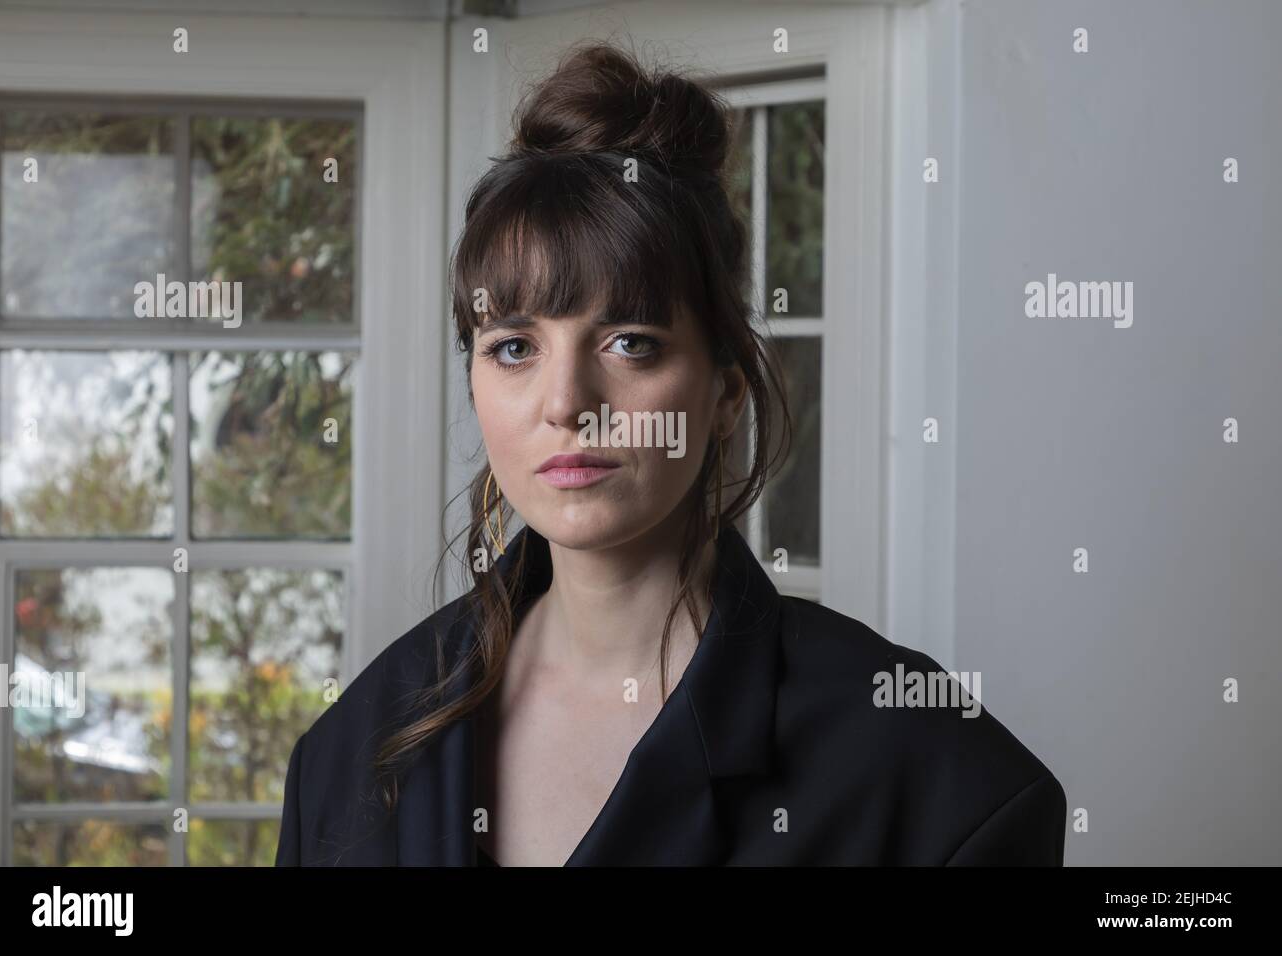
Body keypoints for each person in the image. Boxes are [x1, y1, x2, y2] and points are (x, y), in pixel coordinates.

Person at [274, 40, 1066, 867]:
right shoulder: (352, 756)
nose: (566, 403)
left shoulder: (929, 774)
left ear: (726, 392)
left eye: (630, 342)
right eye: (513, 348)